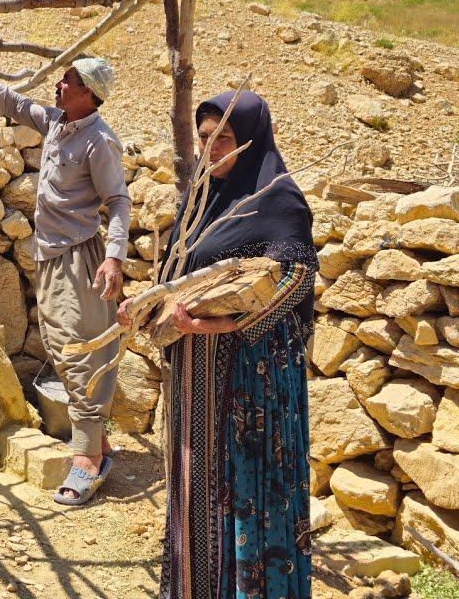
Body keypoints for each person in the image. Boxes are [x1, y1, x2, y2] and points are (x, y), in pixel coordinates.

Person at [119, 91, 315, 598]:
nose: (210, 148)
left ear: (251, 138)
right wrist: (146, 308)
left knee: (243, 487)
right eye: (204, 137)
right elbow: (177, 277)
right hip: (194, 373)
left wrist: (223, 326)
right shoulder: (203, 199)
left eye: (223, 137)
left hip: (250, 381)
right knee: (193, 485)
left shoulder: (278, 198)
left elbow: (296, 275)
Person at [0, 45, 129, 506]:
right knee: (57, 345)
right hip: (51, 256)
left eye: (69, 80)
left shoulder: (100, 141)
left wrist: (113, 258)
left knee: (80, 353)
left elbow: (117, 202)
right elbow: (13, 103)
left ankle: (88, 462)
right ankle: (99, 446)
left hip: (82, 258)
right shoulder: (56, 121)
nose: (59, 83)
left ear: (88, 94)